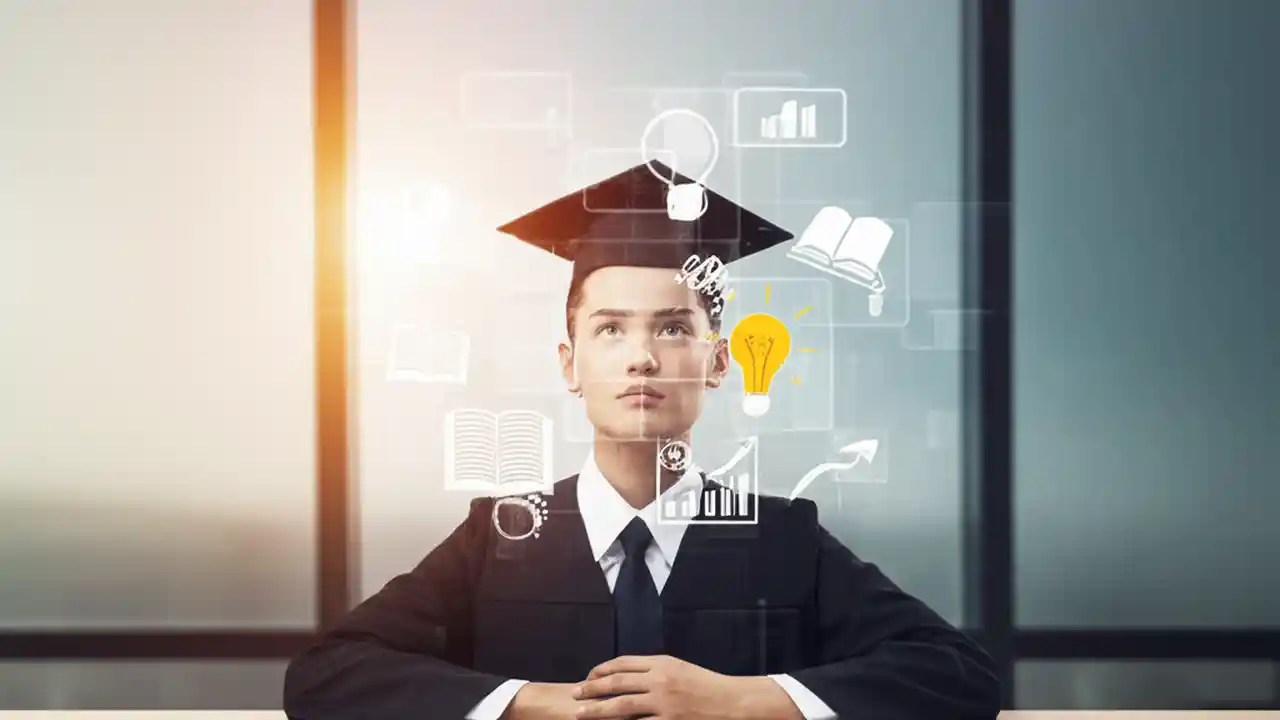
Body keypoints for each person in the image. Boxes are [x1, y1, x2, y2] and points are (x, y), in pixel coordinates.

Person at [283, 162, 1002, 720]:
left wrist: (743, 700)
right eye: (609, 328)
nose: (642, 357)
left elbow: (959, 675)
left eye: (674, 327)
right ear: (570, 364)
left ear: (719, 363)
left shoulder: (783, 539)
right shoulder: (500, 535)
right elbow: (326, 675)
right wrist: (531, 701)